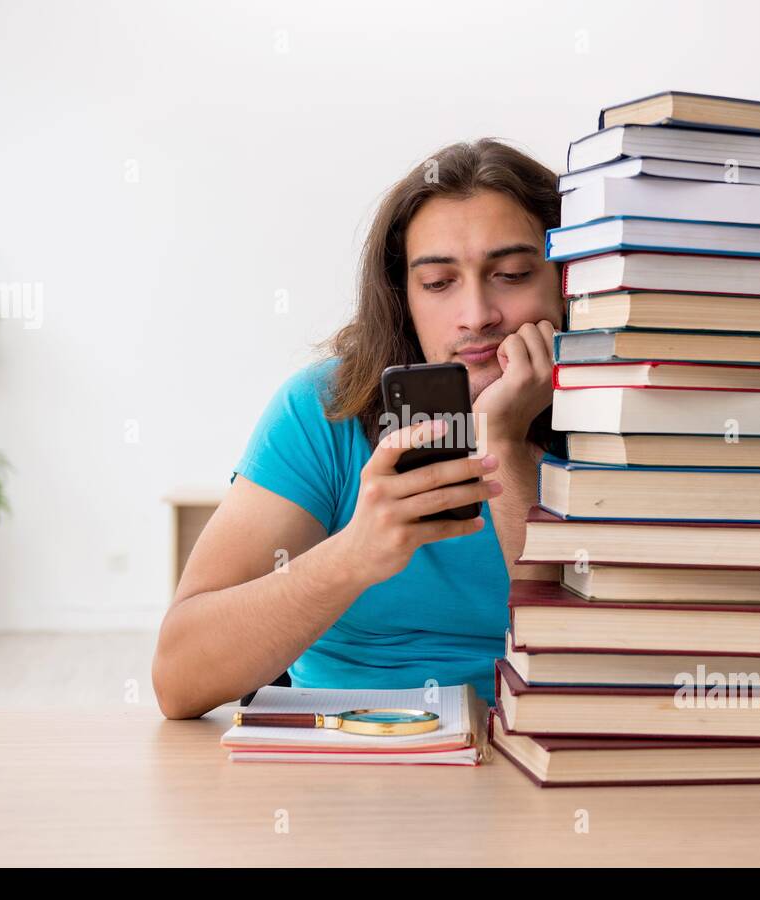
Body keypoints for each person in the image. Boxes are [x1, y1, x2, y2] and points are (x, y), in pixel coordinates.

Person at [152, 139, 563, 718]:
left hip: (547, 751)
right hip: (353, 754)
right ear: (403, 299)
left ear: (568, 280)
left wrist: (503, 443)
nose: (476, 314)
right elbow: (178, 679)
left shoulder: (628, 420)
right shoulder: (322, 408)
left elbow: (594, 670)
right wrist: (355, 553)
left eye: (513, 274)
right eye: (439, 283)